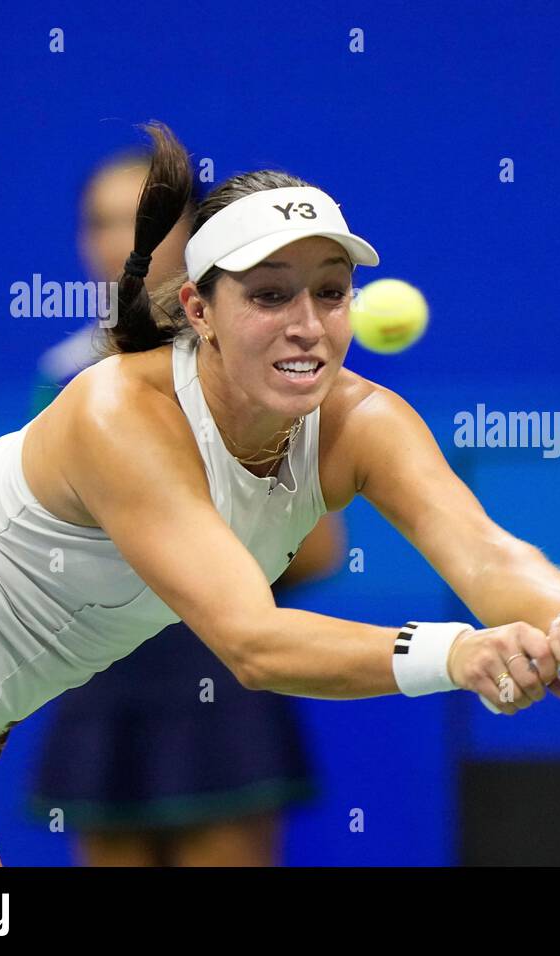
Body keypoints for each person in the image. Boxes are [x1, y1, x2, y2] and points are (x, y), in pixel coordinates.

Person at [0, 121, 560, 866]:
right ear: (200, 309)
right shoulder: (119, 412)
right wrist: (463, 652)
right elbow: (254, 644)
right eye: (270, 296)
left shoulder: (363, 422)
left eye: (331, 293)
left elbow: (485, 552)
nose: (308, 324)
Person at [25, 150, 344, 867]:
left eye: (143, 221)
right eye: (100, 223)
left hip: (224, 682)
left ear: (195, 234)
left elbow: (318, 548)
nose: (120, 243)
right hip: (101, 686)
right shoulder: (62, 380)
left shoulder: (256, 364)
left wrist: (184, 566)